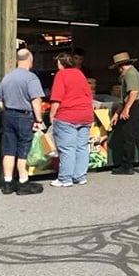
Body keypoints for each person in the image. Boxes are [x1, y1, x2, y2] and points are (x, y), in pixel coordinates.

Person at [0, 48, 45, 195]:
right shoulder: (31, 78)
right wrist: (39, 119)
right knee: (23, 149)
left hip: (9, 115)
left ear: (17, 60)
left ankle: (7, 183)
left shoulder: (7, 77)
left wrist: (7, 111)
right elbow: (36, 100)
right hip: (25, 116)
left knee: (9, 149)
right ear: (30, 60)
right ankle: (23, 182)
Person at [48, 52, 94, 187]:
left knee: (67, 148)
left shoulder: (61, 75)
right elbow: (89, 94)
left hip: (67, 115)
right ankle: (80, 176)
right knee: (82, 147)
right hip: (85, 114)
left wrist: (52, 114)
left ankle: (65, 178)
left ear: (59, 63)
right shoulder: (80, 73)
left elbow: (57, 97)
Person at [109, 51, 139, 175]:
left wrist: (126, 108)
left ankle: (127, 165)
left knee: (128, 136)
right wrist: (117, 113)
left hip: (134, 106)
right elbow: (126, 97)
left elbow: (133, 92)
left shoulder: (129, 74)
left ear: (120, 66)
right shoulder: (134, 73)